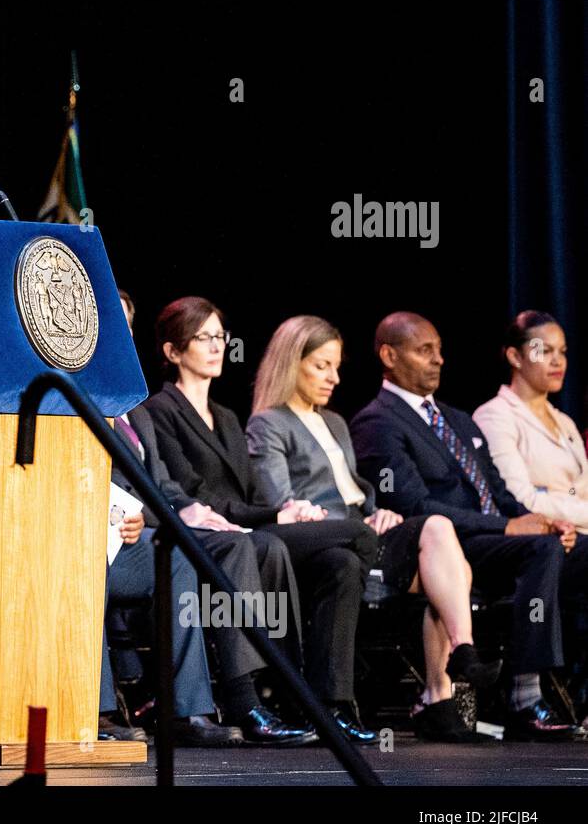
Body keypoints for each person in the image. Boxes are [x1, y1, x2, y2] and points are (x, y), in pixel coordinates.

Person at [245, 315, 500, 742]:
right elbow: (282, 505)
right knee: (379, 558)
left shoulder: (336, 423)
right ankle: (438, 691)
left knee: (437, 529)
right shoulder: (269, 423)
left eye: (337, 366)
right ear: (292, 364)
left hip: (364, 531)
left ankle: (460, 655)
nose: (334, 378)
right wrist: (354, 522)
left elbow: (358, 493)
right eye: (322, 366)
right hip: (321, 540)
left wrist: (380, 512)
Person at [349, 311, 588, 741]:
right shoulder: (377, 421)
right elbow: (414, 504)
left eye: (439, 351)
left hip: (491, 541)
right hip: (443, 546)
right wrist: (509, 528)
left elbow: (497, 490)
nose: (438, 360)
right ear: (389, 355)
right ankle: (525, 696)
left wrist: (543, 521)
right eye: (425, 351)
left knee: (572, 546)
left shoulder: (458, 419)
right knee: (541, 550)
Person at [110, 292, 311, 745]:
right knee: (239, 546)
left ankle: (283, 691)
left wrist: (185, 508)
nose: (218, 346)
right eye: (206, 337)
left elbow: (164, 483)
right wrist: (183, 511)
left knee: (268, 545)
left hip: (160, 525)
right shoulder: (146, 406)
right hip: (119, 533)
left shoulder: (135, 410)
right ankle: (241, 699)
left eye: (222, 336)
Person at [474, 311, 588, 533]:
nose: (557, 361)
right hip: (543, 538)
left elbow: (579, 489)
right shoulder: (495, 416)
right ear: (515, 357)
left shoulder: (564, 422)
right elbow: (521, 498)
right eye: (544, 351)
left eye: (562, 352)